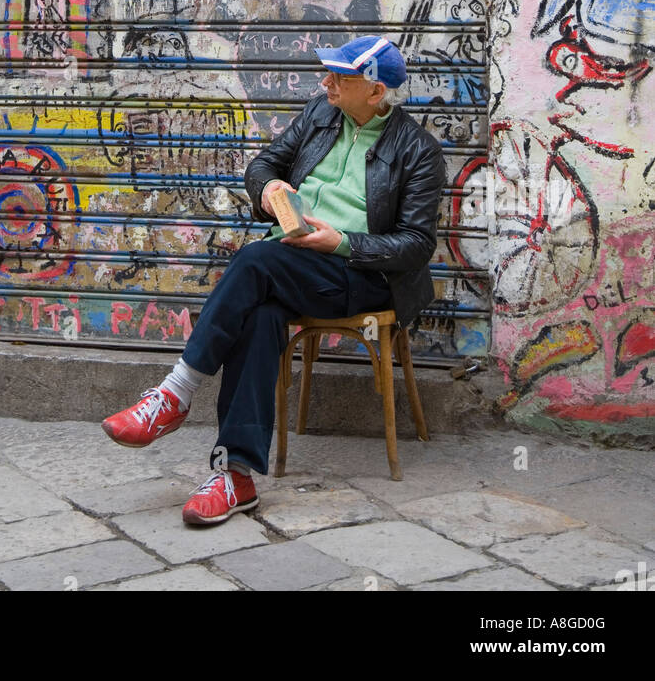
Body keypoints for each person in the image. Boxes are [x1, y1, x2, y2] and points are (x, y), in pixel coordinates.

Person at [101, 34, 446, 526]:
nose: (325, 83)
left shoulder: (418, 150)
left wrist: (341, 242)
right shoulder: (320, 114)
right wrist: (268, 189)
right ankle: (234, 475)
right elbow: (264, 163)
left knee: (254, 261)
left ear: (374, 92)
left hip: (363, 274)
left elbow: (416, 244)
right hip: (293, 262)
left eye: (339, 77)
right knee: (260, 316)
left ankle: (176, 393)